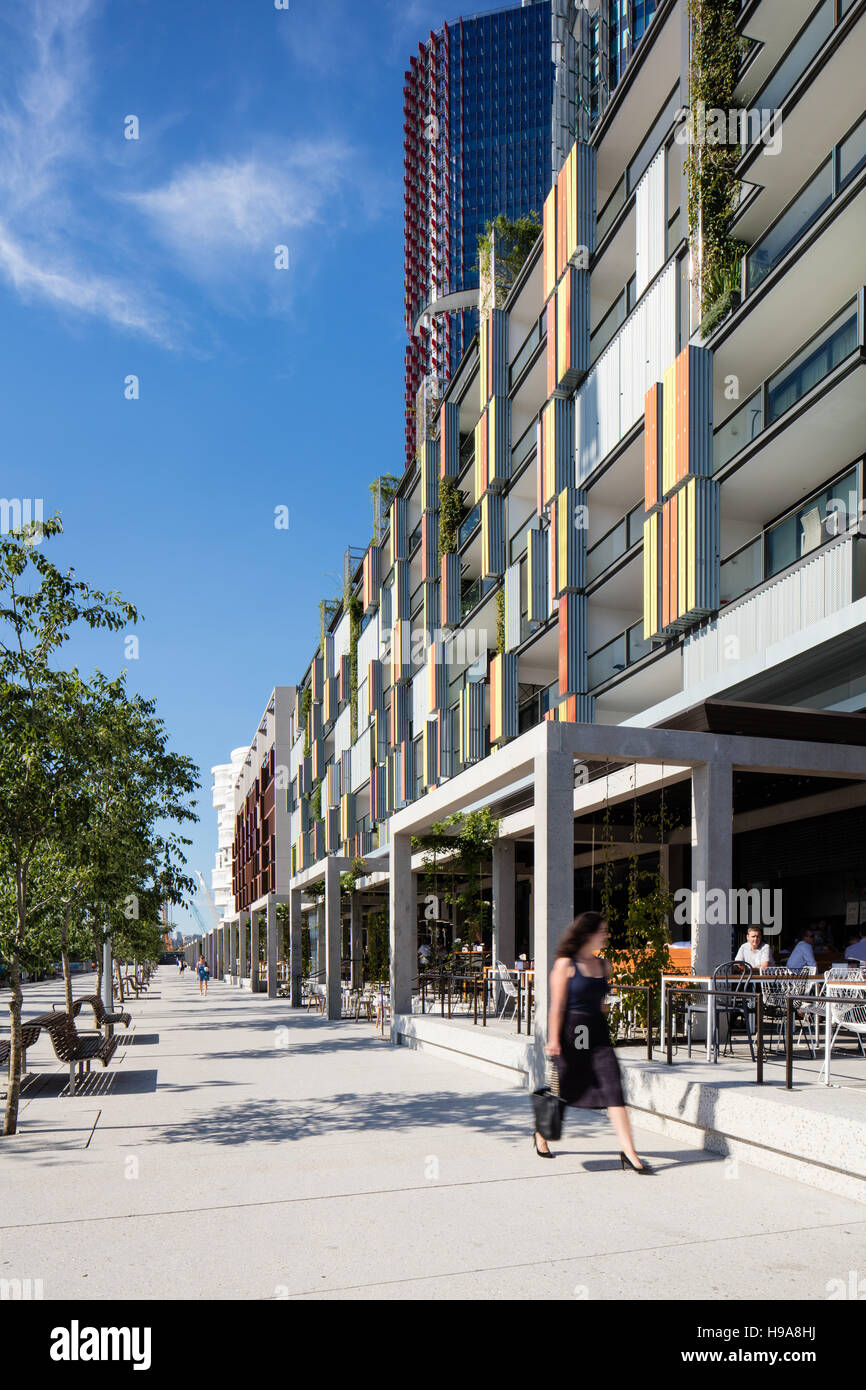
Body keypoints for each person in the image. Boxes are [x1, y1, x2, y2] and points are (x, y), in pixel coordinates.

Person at [535, 911, 652, 1173]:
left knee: (613, 1087)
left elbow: (600, 1002)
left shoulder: (604, 965)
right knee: (565, 1090)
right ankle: (542, 1135)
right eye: (602, 931)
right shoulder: (565, 964)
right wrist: (554, 1039)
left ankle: (629, 1151)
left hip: (597, 1033)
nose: (606, 935)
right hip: (572, 1033)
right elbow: (557, 1007)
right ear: (587, 934)